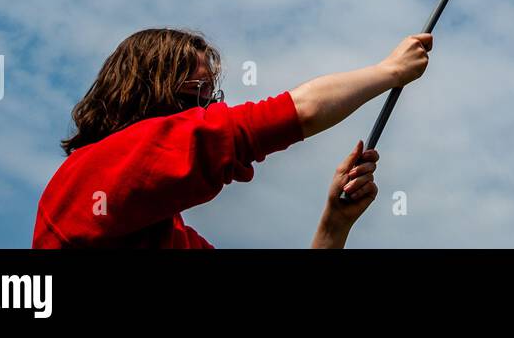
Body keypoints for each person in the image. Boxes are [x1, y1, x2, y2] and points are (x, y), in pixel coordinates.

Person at [31, 27, 432, 248]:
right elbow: (294, 112)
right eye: (200, 95)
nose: (209, 110)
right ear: (152, 93)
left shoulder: (171, 238)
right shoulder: (95, 173)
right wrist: (390, 71)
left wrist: (333, 226)